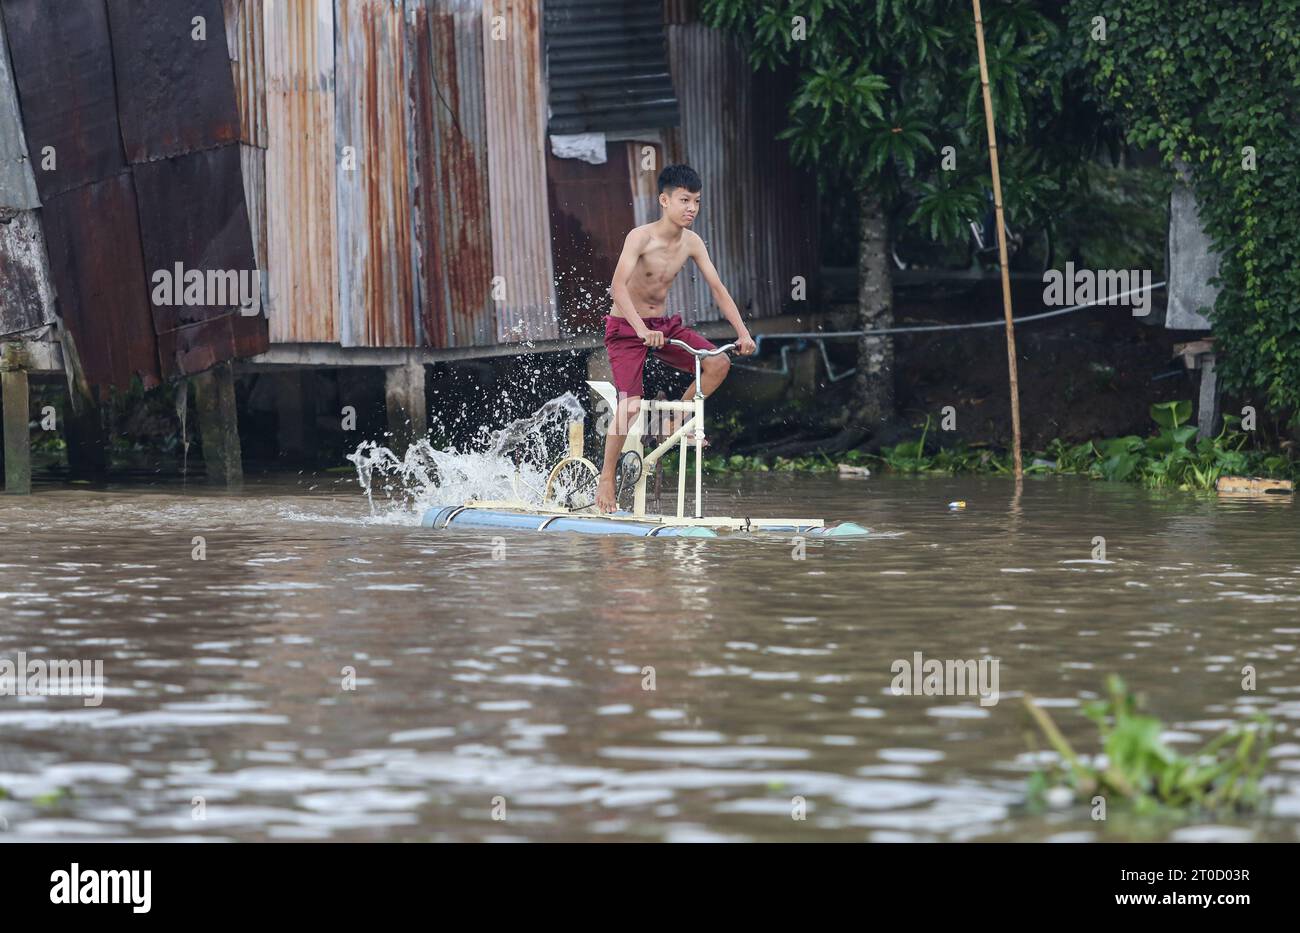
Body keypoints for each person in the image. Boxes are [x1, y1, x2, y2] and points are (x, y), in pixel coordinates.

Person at [595, 164, 756, 514]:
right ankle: (606, 477)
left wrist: (743, 333)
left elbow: (717, 288)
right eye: (684, 200)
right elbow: (617, 287)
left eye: (696, 202)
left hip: (662, 328)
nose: (692, 209)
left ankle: (674, 423)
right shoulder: (640, 237)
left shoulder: (692, 242)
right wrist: (639, 329)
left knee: (717, 363)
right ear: (664, 200)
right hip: (627, 330)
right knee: (631, 405)